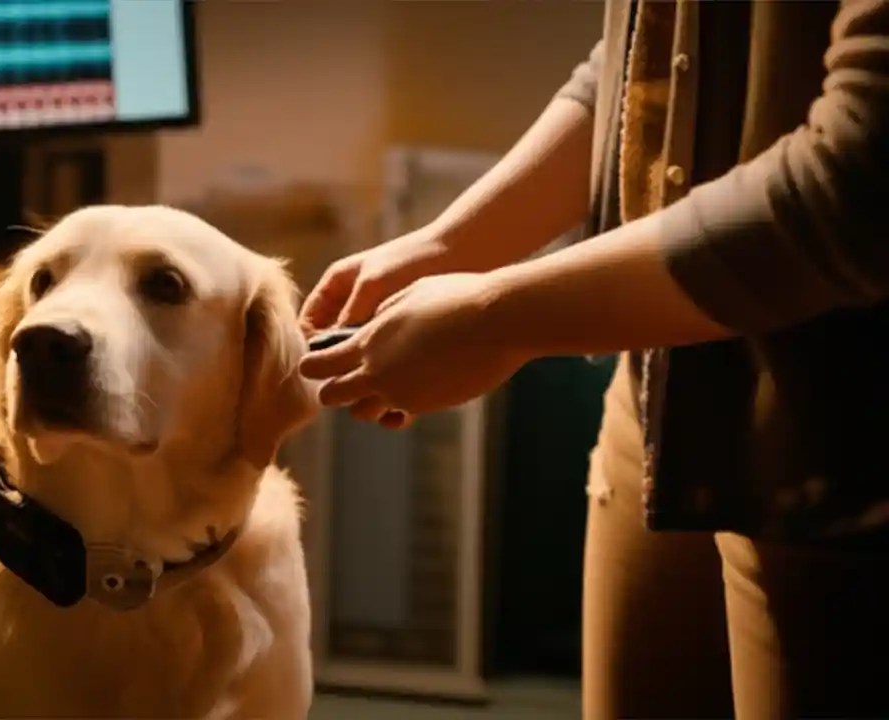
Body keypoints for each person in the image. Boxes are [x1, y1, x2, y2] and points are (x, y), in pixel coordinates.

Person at [298, 1, 889, 718]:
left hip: (834, 454)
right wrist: (451, 243)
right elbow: (637, 54)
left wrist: (498, 319)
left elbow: (859, 183)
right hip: (661, 400)